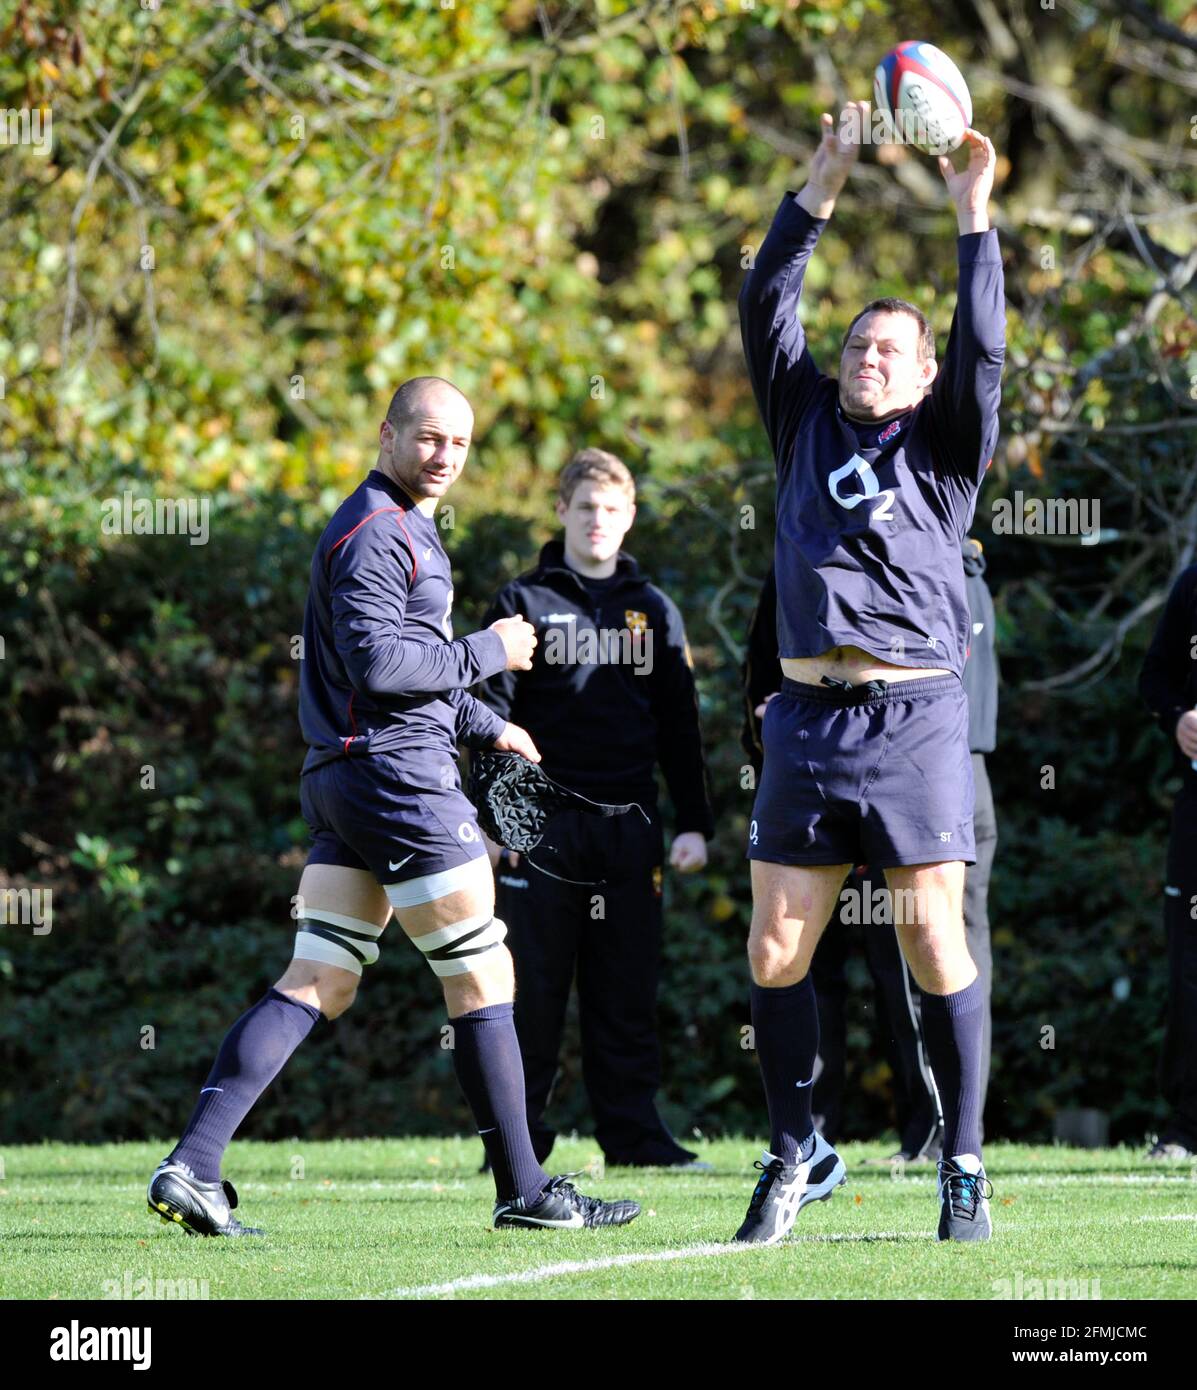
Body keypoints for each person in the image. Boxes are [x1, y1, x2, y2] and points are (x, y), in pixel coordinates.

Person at [146, 378, 640, 1235]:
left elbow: (405, 666)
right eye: (428, 437)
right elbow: (381, 668)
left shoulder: (398, 524)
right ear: (387, 434)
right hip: (397, 783)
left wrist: (488, 726)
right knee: (483, 972)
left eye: (458, 442)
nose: (444, 455)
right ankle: (526, 1192)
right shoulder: (378, 531)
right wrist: (490, 649)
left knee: (320, 979)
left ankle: (193, 1165)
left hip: (348, 780)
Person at [734, 101, 1005, 1244]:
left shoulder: (945, 448)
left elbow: (985, 345)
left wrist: (972, 219)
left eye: (888, 348)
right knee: (773, 948)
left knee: (934, 939)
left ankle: (966, 1162)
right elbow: (766, 301)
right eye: (856, 343)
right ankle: (799, 1148)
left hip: (914, 716)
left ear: (922, 371)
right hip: (805, 717)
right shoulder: (800, 417)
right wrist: (823, 184)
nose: (864, 356)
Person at [477, 449, 715, 1168]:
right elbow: (488, 716)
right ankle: (518, 1146)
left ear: (629, 517)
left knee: (626, 991)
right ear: (561, 512)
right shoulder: (521, 602)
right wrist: (499, 823)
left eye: (612, 510)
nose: (598, 522)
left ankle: (636, 1139)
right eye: (586, 508)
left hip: (630, 829)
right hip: (542, 830)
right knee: (533, 991)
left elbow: (681, 727)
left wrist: (696, 823)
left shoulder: (654, 610)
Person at [741, 536, 999, 1163]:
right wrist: (772, 735)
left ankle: (950, 1138)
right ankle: (808, 1137)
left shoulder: (950, 569)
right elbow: (760, 671)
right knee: (798, 952)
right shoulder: (810, 550)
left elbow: (969, 698)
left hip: (935, 771)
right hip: (826, 750)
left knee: (932, 952)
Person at [1138, 563, 1197, 1161]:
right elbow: (1153, 678)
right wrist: (1178, 717)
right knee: (1189, 964)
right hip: (1196, 812)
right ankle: (1186, 1125)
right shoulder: (1193, 581)